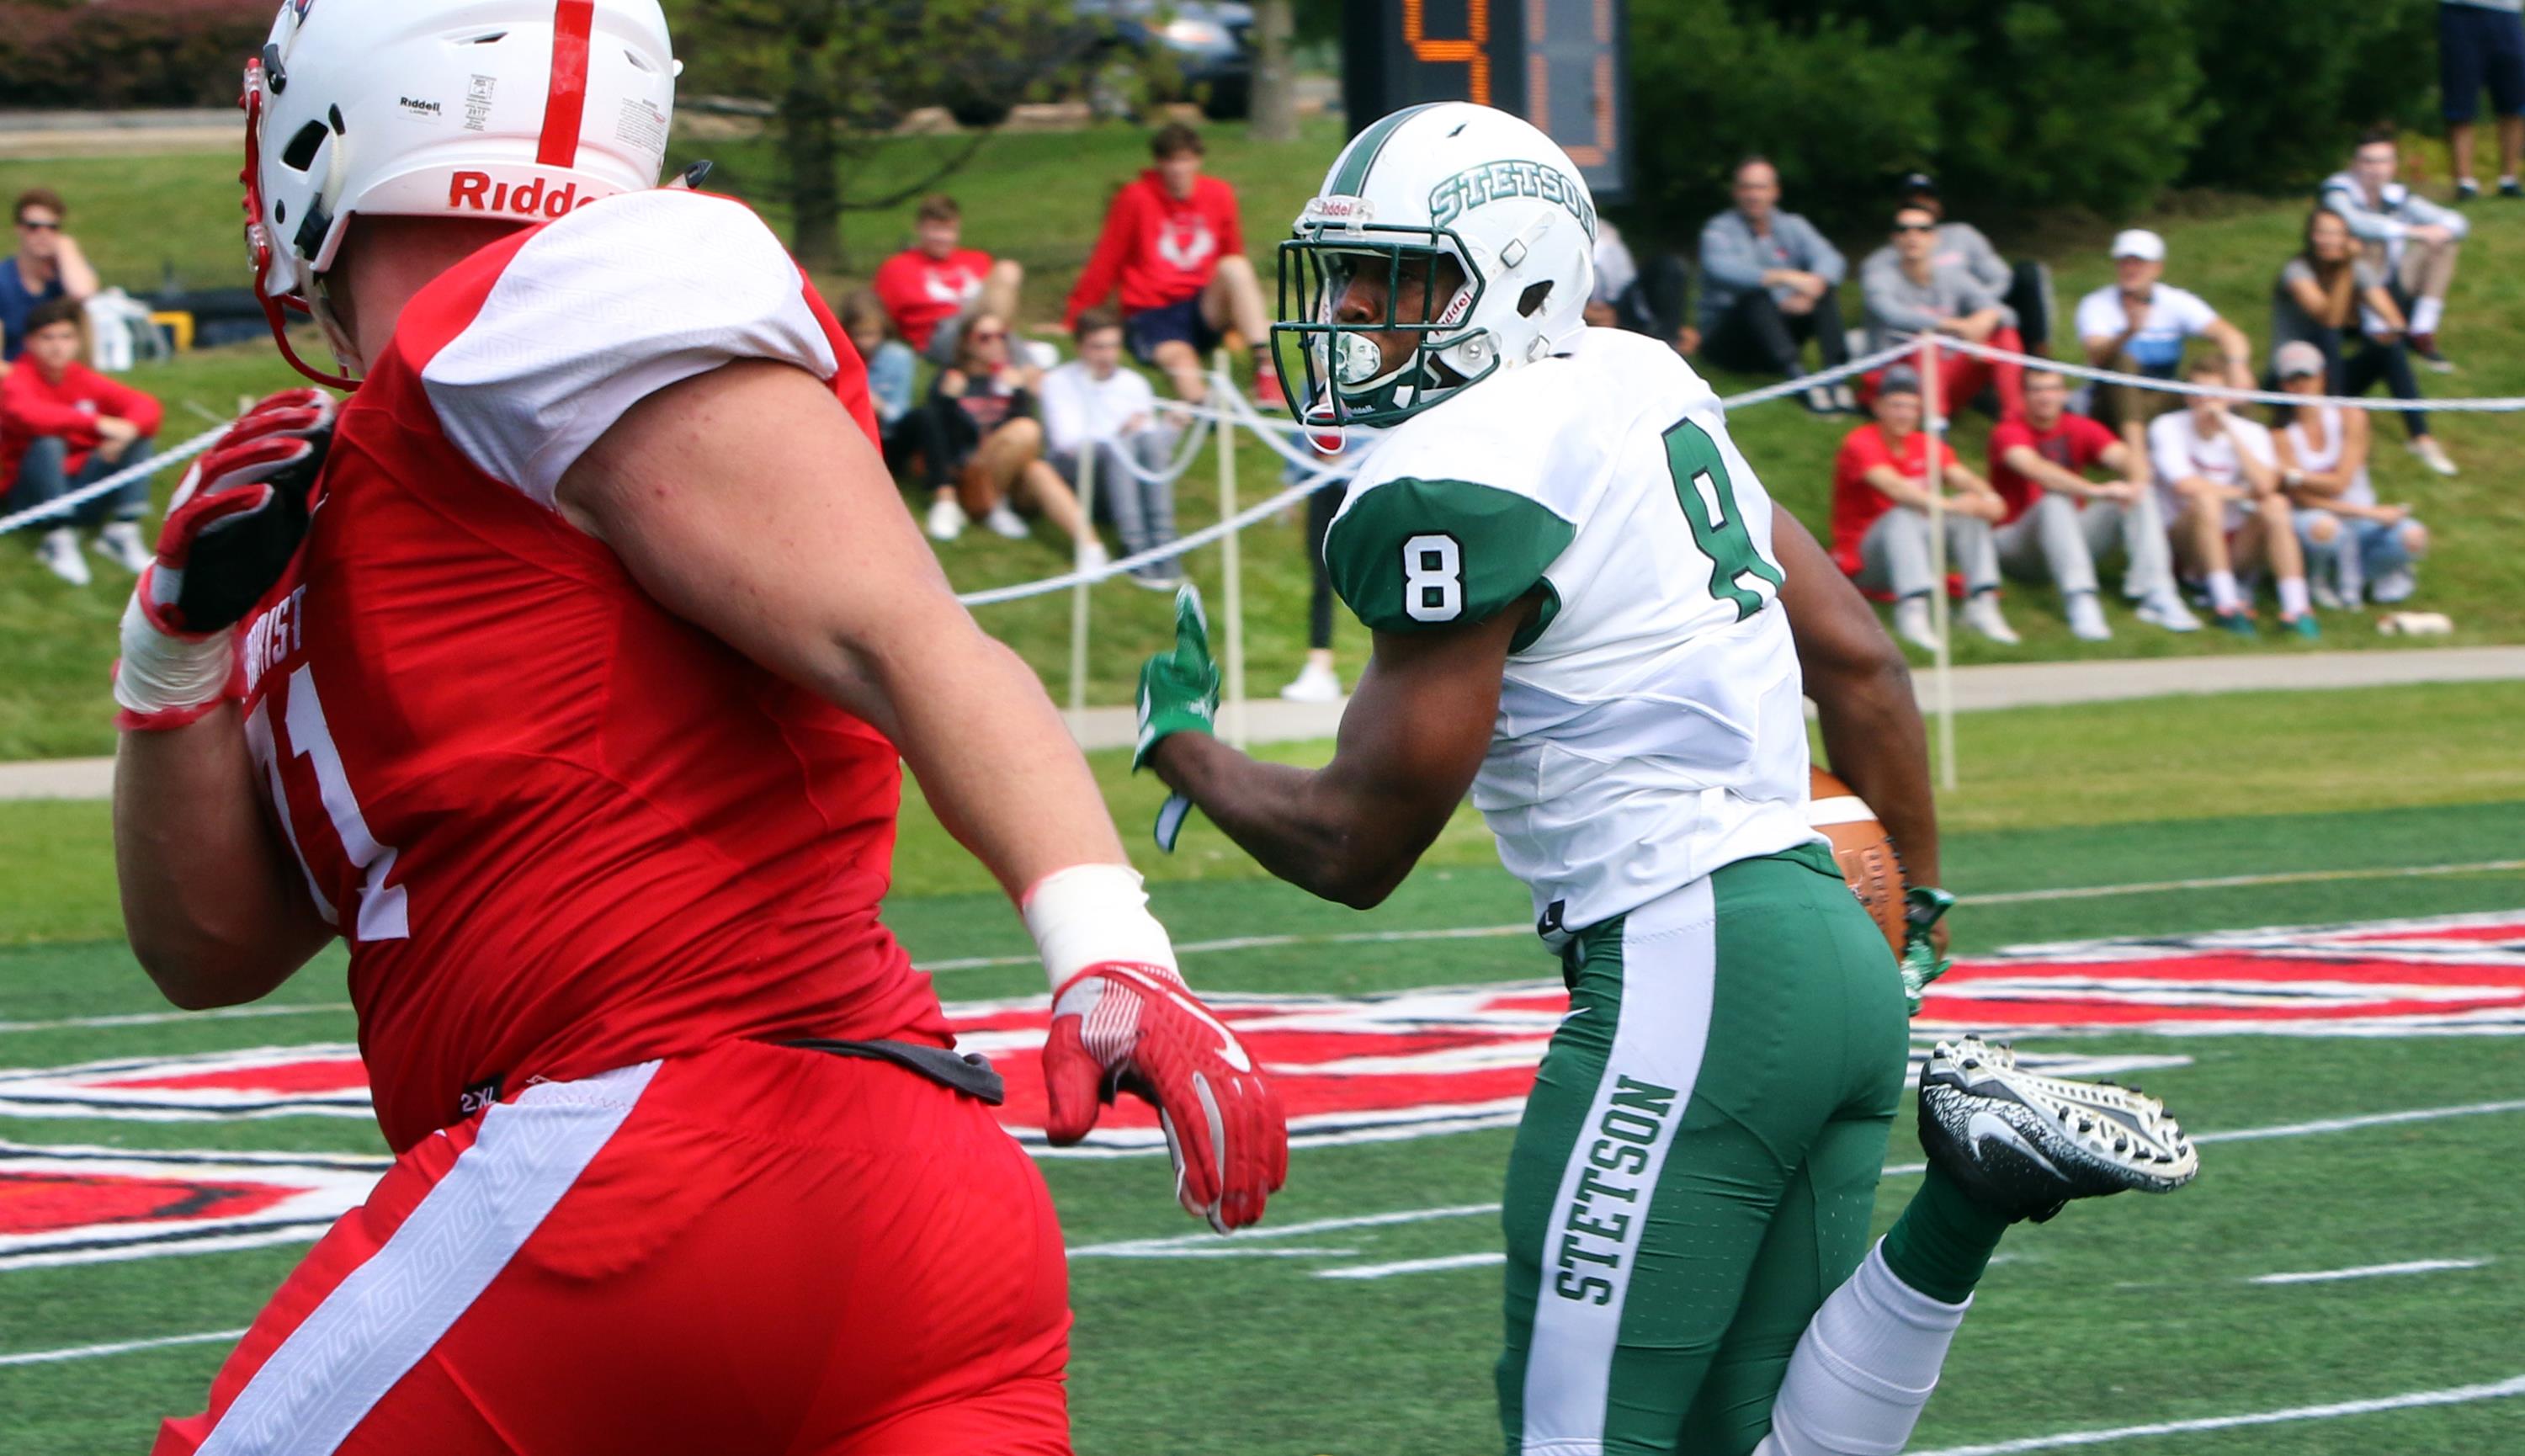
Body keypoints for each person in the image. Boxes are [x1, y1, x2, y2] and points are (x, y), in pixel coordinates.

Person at [123, 6, 1284, 1452]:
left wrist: (1108, 948)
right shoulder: (377, 476)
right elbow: (208, 950)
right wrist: (170, 668)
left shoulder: (547, 299)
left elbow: (901, 629)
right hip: (908, 1215)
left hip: (651, 1158)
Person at [1140, 103, 2196, 1456]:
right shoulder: (1641, 379)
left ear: (1511, 281)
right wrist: (1916, 907)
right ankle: (1969, 1196)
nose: (1350, 309)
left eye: (1394, 278)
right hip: (1831, 954)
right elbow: (1862, 663)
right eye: (1348, 274)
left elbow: (1357, 844)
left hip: (1685, 970)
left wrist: (1187, 746)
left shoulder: (1462, 466)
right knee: (1757, 1440)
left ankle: (1978, 1191)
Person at [1064, 123, 1279, 410]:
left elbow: (1232, 252)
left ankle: (1264, 367)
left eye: (1185, 160)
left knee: (1235, 266)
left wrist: (1234, 322)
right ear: (1160, 163)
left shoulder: (1218, 194)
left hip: (1200, 304)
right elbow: (1107, 259)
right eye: (1171, 161)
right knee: (1180, 357)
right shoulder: (1135, 198)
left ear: (1197, 161)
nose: (1179, 169)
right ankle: (1206, 410)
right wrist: (1075, 317)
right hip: (1151, 311)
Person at [1985, 367, 2198, 640]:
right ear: (2024, 397)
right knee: (2054, 500)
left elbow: (2128, 458)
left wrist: (2135, 483)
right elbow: (2036, 469)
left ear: (2064, 394)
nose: (2045, 397)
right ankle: (2080, 598)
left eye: (2051, 389)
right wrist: (2095, 490)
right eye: (2036, 390)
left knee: (2139, 496)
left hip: (2068, 536)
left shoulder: (2078, 426)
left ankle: (2157, 592)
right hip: (2015, 542)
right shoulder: (2008, 431)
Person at [1828, 367, 2017, 651]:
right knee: (1902, 514)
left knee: (1972, 517)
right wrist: (1955, 506)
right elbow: (1896, 489)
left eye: (1911, 407)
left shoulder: (1926, 444)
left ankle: (1982, 604)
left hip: (1919, 545)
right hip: (1867, 557)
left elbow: (1963, 477)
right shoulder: (1861, 442)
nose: (1904, 414)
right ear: (1878, 407)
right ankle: (1913, 609)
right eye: (1896, 406)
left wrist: (1989, 500)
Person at [2271, 208, 2458, 477]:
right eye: (2321, 232)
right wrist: (2347, 268)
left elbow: (2394, 318)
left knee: (2388, 348)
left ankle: (2421, 438)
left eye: (2335, 234)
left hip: (2328, 379)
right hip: (2289, 380)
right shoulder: (2297, 271)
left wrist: (2389, 334)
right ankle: (2335, 428)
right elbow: (2329, 319)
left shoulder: (2358, 269)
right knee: (2328, 336)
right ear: (2311, 237)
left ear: (2347, 238)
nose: (2327, 240)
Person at [2147, 356, 2316, 637]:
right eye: (2199, 394)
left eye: (2215, 394)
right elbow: (2186, 486)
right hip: (2186, 539)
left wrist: (2229, 432)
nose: (2208, 403)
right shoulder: (2166, 426)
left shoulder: (2251, 432)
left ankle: (2297, 609)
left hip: (2236, 541)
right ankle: (2226, 604)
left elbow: (2265, 486)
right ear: (2188, 397)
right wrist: (2242, 493)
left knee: (2276, 505)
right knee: (2205, 500)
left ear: (2228, 397)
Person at [920, 311, 1103, 566]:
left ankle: (1091, 548)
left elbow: (1027, 446)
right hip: (970, 479)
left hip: (1011, 479)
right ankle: (994, 507)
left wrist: (1018, 395)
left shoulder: (1009, 378)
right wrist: (947, 401)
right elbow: (937, 438)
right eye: (985, 337)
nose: (996, 343)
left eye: (1002, 336)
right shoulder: (952, 379)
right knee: (1026, 429)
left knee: (1038, 468)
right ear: (967, 343)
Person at [2, 298, 160, 586]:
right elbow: (29, 415)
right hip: (30, 498)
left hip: (81, 485)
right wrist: (97, 423)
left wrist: (129, 430)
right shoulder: (16, 380)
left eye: (66, 337)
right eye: (47, 338)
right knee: (47, 443)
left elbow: (145, 405)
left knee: (137, 437)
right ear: (30, 343)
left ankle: (123, 530)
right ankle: (57, 537)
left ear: (77, 341)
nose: (57, 346)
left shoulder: (83, 378)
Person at [2272, 341, 2430, 608]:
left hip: (2360, 516)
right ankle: (2320, 579)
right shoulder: (2280, 436)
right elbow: (2304, 501)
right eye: (2292, 380)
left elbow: (2340, 482)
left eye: (2307, 376)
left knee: (2414, 537)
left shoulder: (2351, 417)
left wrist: (2295, 475)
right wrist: (2371, 513)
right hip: (2320, 520)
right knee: (2326, 528)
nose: (2301, 386)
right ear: (2283, 386)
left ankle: (2359, 578)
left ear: (2322, 377)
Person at [1698, 157, 1853, 412]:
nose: (1754, 195)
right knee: (1755, 297)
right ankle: (1801, 381)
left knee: (1823, 293)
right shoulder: (1718, 230)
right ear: (1736, 192)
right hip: (1729, 340)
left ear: (1775, 192)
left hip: (1776, 333)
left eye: (1761, 187)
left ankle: (1837, 378)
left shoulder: (1793, 225)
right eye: (1747, 187)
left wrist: (1816, 285)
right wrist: (1785, 280)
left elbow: (1831, 258)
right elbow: (1722, 270)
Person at [2074, 229, 2254, 445]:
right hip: (2107, 403)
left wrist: (2237, 365)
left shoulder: (2174, 301)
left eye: (2138, 262)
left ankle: (2241, 446)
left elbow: (2230, 335)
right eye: (2124, 262)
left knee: (2219, 368)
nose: (2130, 269)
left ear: (2157, 268)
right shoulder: (2096, 304)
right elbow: (2097, 356)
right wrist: (2128, 333)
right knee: (2124, 361)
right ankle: (2137, 454)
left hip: (2160, 399)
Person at [1039, 306, 1177, 587]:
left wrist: (1172, 429)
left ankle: (1164, 542)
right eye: (1097, 347)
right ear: (1080, 348)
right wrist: (1121, 433)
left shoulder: (1134, 383)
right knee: (1122, 447)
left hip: (1125, 468)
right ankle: (1134, 545)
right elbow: (1067, 442)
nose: (1106, 356)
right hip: (1077, 472)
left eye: (1113, 346)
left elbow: (1152, 448)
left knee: (1146, 443)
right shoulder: (1057, 382)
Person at [1861, 203, 2027, 421]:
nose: (1913, 236)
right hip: (1896, 383)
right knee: (1925, 343)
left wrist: (1984, 320)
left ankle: (2014, 421)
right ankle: (1935, 429)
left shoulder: (1952, 277)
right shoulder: (1879, 277)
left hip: (1944, 373)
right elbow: (1894, 315)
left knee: (2004, 335)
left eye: (1922, 229)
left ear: (1935, 238)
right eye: (1904, 230)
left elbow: (2008, 316)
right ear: (1894, 238)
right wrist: (1959, 326)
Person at [2320, 130, 2469, 370]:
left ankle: (2422, 331)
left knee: (2443, 244)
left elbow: (2458, 222)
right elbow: (2359, 224)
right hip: (2342, 290)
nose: (2376, 169)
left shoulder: (2397, 194)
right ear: (2354, 164)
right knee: (2365, 243)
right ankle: (2376, 330)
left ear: (2393, 165)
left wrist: (2443, 231)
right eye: (2368, 161)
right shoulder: (2337, 191)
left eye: (2383, 161)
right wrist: (2413, 231)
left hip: (2391, 279)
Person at [1863, 172, 2053, 354]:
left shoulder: (1963, 235)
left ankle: (2038, 358)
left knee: (2028, 273)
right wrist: (1953, 320)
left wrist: (1978, 307)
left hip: (1974, 306)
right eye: (1911, 200)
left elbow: (2001, 277)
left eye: (1927, 198)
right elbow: (1887, 308)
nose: (1920, 204)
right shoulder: (1881, 261)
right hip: (1926, 323)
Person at [869, 194, 1023, 365]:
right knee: (1005, 273)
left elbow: (1000, 306)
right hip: (939, 334)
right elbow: (879, 318)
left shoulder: (978, 259)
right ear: (919, 228)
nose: (943, 238)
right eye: (936, 229)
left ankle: (1015, 364)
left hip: (985, 326)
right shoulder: (897, 267)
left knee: (1008, 272)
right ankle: (1013, 362)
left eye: (949, 230)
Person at [3, 187, 99, 364]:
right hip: (14, 376)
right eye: (34, 227)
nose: (43, 234)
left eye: (52, 228)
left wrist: (66, 246)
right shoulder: (4, 280)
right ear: (19, 229)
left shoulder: (67, 271)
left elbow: (82, 292)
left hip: (61, 377)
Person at [2441, 0, 2525, 199]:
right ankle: (2465, 182)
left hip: (2507, 13)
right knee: (2460, 101)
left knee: (2514, 101)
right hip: (2460, 11)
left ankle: (2509, 179)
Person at [836, 289, 918, 475]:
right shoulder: (839, 358)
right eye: (859, 334)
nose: (865, 342)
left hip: (887, 436)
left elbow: (901, 412)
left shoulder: (900, 357)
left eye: (871, 334)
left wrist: (879, 407)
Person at [1592, 218, 1698, 356]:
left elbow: (1626, 280)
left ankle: (1669, 339)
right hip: (1580, 308)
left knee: (1670, 266)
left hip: (1620, 303)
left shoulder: (1604, 229)